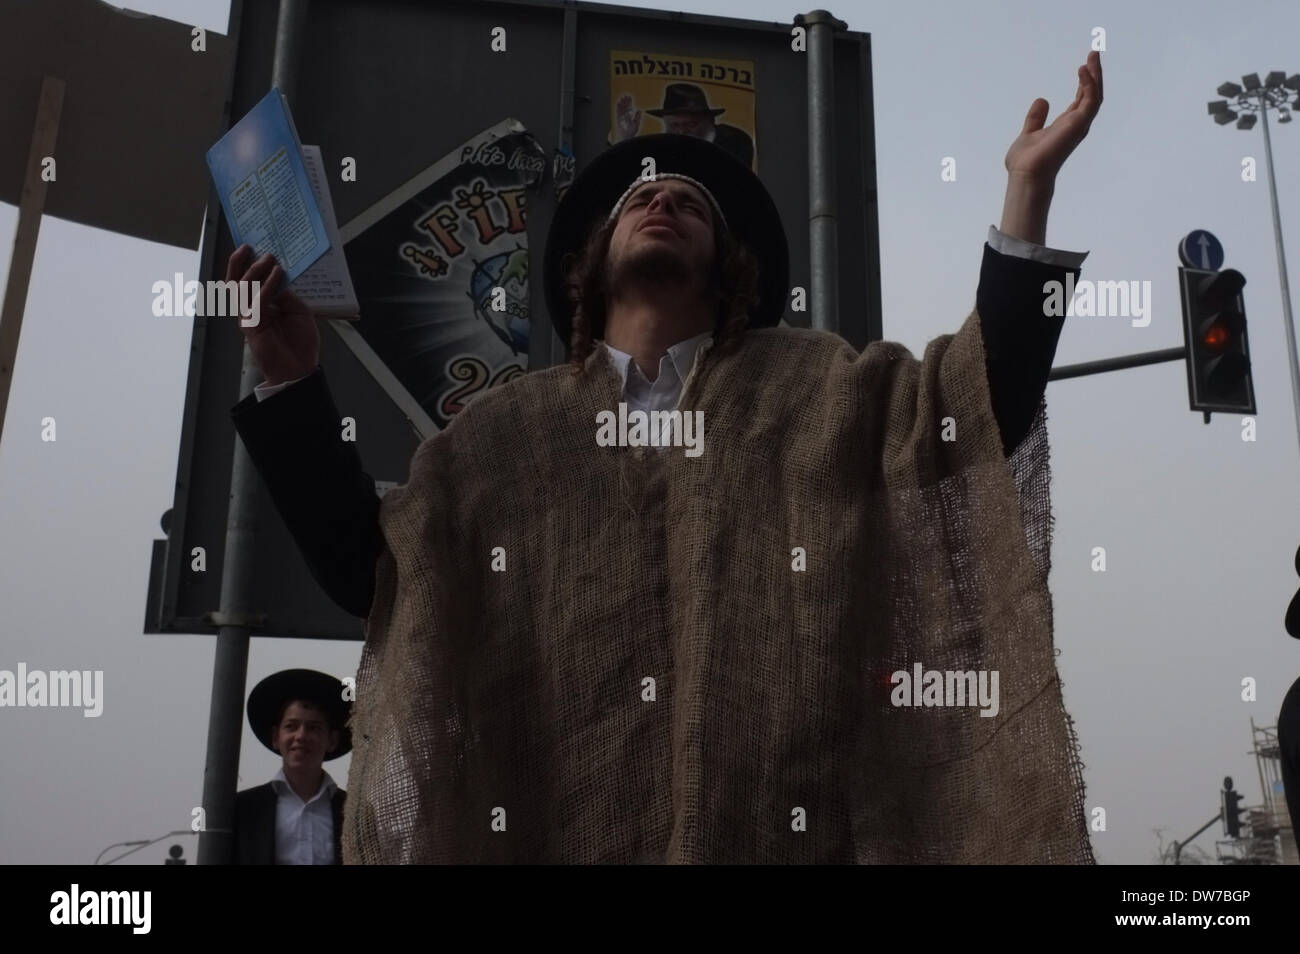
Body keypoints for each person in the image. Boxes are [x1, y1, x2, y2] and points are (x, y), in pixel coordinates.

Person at [229, 52, 1104, 863]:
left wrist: (1029, 193)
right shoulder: (501, 439)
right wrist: (292, 381)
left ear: (729, 265)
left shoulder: (825, 391)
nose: (664, 202)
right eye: (641, 199)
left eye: (693, 204)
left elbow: (981, 404)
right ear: (588, 266)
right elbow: (369, 573)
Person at [231, 669, 351, 865]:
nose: (301, 736)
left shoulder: (353, 812)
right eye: (291, 726)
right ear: (275, 737)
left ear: (332, 740)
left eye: (314, 728)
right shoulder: (243, 810)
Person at [616, 83, 756, 168]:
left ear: (710, 121)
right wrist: (626, 139)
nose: (682, 131)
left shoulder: (736, 141)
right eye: (674, 125)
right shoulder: (660, 150)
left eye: (691, 124)